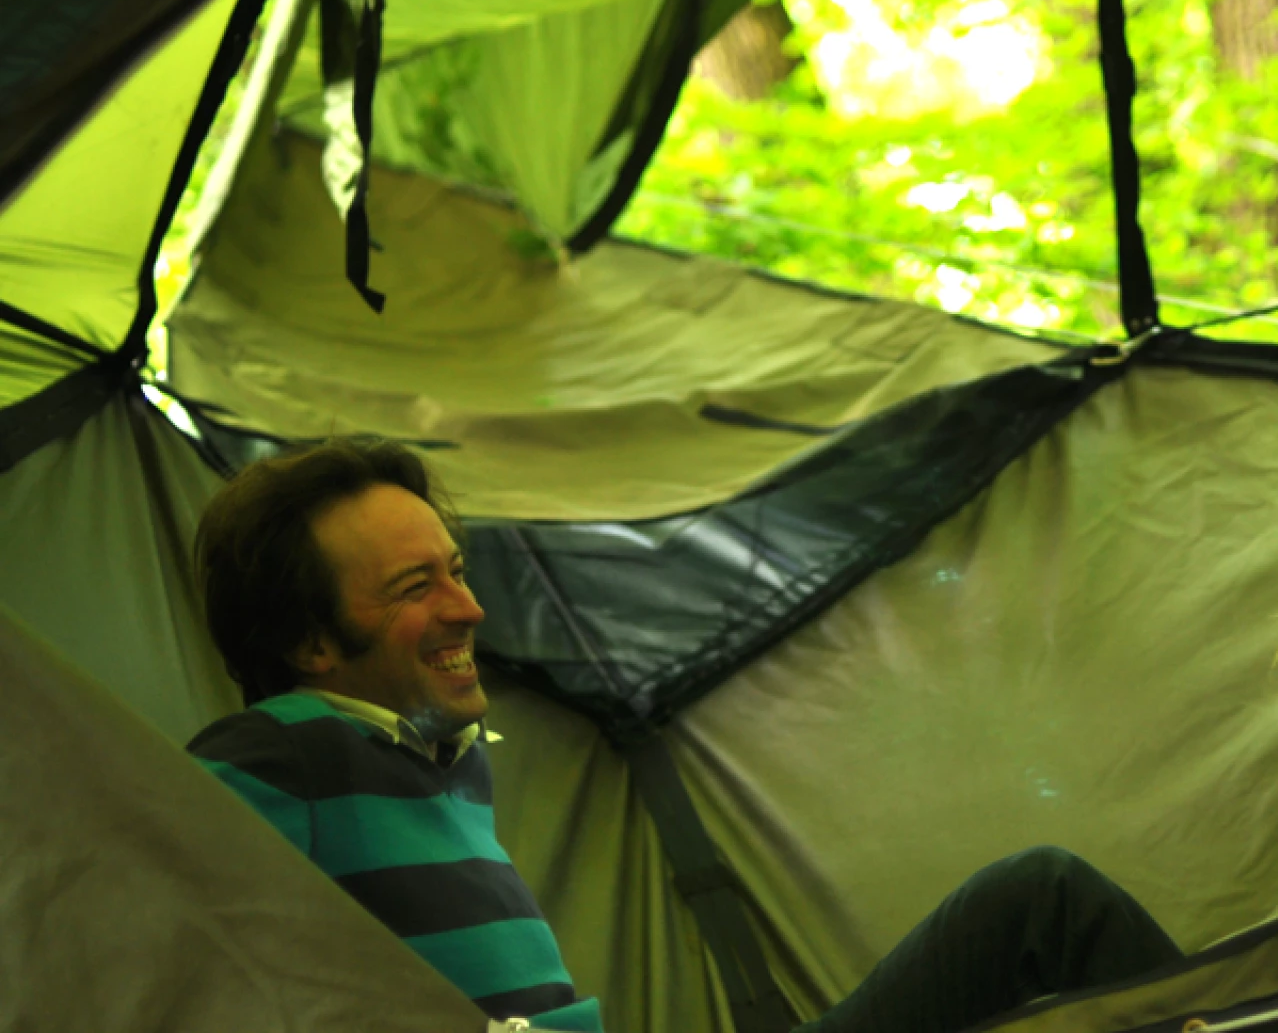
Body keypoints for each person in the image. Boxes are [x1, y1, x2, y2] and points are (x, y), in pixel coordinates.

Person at [187, 438, 1181, 1033]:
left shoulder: (435, 763)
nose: (469, 608)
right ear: (308, 638)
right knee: (1038, 903)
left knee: (1037, 911)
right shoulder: (277, 755)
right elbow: (147, 947)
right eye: (418, 586)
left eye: (457, 568)